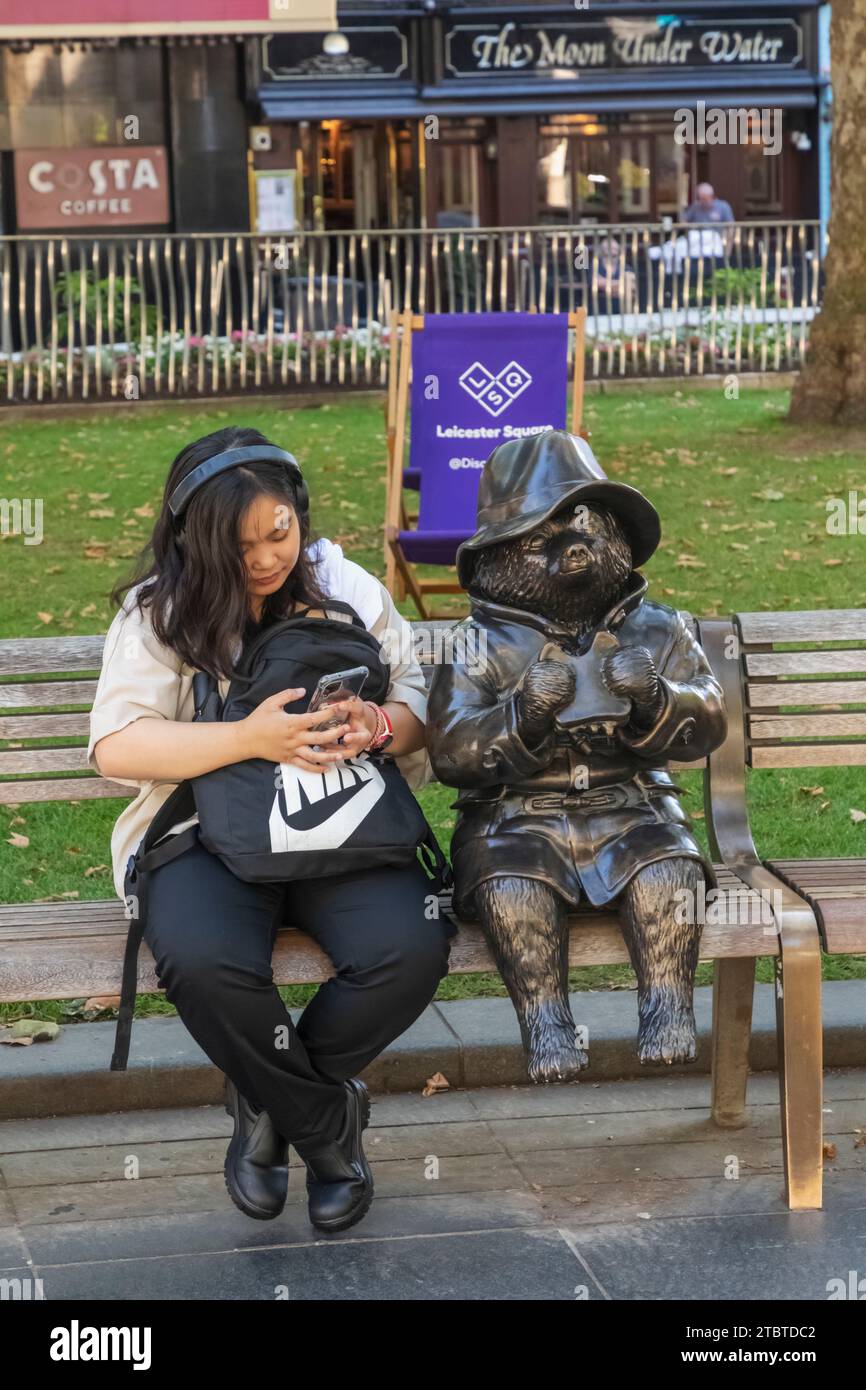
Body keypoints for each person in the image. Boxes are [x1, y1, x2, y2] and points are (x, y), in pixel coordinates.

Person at [87, 424, 453, 1234]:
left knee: (412, 945)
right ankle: (327, 1128)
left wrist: (379, 725)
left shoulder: (344, 584)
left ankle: (267, 1107)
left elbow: (423, 696)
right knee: (205, 959)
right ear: (195, 539)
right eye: (239, 544)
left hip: (345, 821)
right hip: (200, 834)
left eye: (278, 532)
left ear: (300, 512)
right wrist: (248, 739)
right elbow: (118, 745)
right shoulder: (164, 611)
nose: (263, 559)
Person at [683, 182, 735, 254]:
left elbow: (731, 226)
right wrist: (690, 227)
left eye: (705, 199)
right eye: (701, 199)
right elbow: (684, 220)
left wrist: (728, 243)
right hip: (697, 240)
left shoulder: (723, 206)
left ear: (712, 196)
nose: (703, 201)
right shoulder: (695, 207)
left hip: (716, 240)